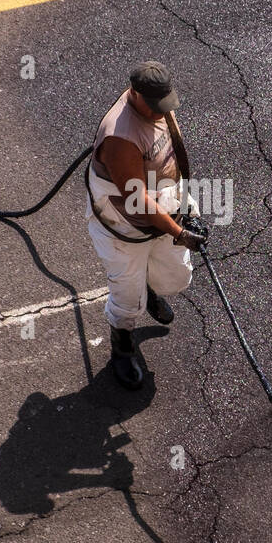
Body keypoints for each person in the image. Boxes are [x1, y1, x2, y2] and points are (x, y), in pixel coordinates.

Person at [85, 60, 206, 389]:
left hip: (161, 208)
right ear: (134, 94)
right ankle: (121, 346)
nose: (161, 113)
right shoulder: (120, 136)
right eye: (155, 107)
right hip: (123, 223)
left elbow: (173, 163)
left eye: (164, 105)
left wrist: (189, 208)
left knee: (177, 276)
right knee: (127, 298)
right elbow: (137, 199)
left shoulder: (158, 105)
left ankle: (148, 288)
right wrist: (179, 232)